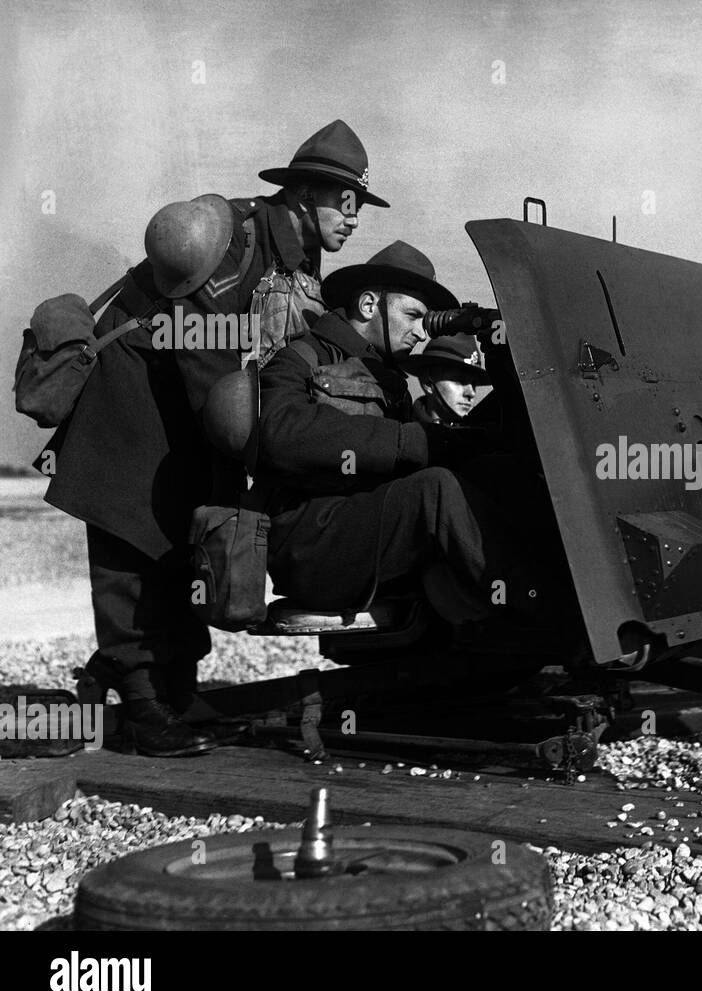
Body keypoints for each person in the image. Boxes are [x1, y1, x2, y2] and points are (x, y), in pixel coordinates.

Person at [38, 120, 385, 756]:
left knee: (189, 548)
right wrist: (258, 442)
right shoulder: (235, 237)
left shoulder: (296, 259)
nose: (354, 217)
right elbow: (203, 346)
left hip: (191, 414)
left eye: (359, 203)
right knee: (132, 546)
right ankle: (143, 705)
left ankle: (174, 690)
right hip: (133, 403)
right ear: (306, 195)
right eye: (345, 201)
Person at [256, 241, 572, 638]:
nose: (421, 331)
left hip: (368, 535)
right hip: (311, 547)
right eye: (411, 315)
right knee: (434, 492)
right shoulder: (303, 358)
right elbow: (278, 434)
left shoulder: (389, 381)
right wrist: (416, 442)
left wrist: (500, 356)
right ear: (369, 305)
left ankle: (571, 593)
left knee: (498, 470)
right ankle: (554, 617)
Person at [406, 334, 490, 426]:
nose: (471, 393)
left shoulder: (483, 436)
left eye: (474, 384)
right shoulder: (401, 435)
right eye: (460, 381)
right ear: (428, 383)